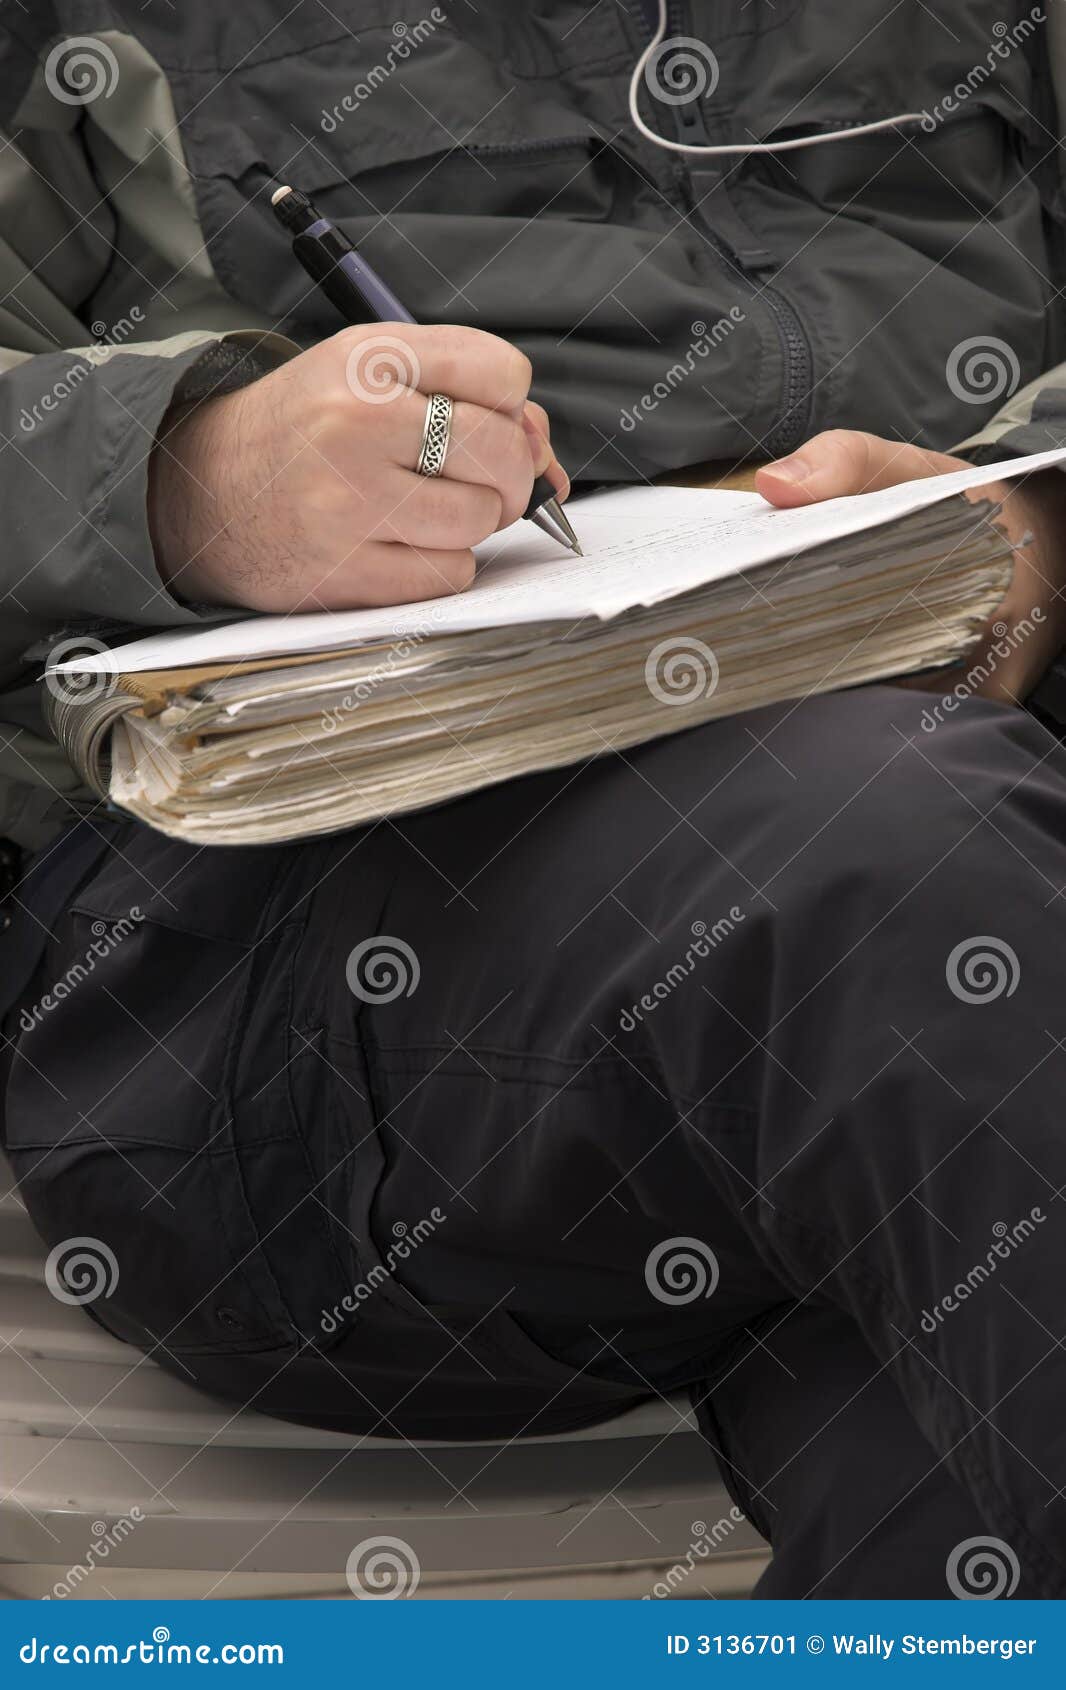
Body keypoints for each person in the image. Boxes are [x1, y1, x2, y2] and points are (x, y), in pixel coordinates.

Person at [2, 2, 1066, 1599]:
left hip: (952, 865)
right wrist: (175, 476)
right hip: (262, 950)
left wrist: (1027, 520)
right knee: (902, 879)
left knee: (939, 1445)